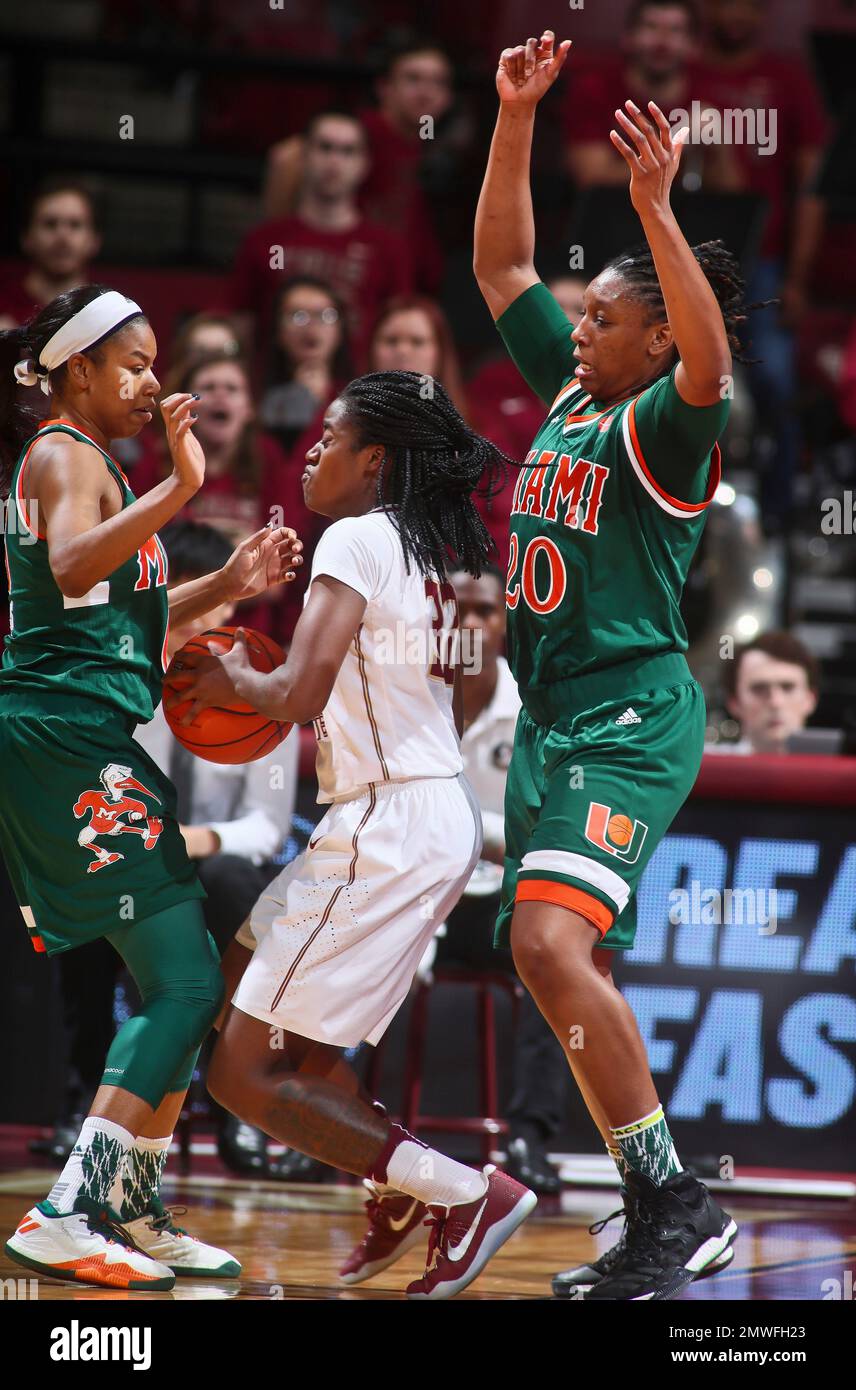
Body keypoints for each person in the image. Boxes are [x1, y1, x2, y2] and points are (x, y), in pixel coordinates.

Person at [173, 369, 537, 1300]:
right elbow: (454, 700)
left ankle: (464, 1193)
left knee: (245, 1077)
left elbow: (292, 694)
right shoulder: (436, 548)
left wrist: (220, 687)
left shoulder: (358, 537)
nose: (312, 452)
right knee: (261, 1025)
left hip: (385, 822)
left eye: (329, 439)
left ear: (375, 460)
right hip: (417, 812)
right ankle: (404, 1185)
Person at [473, 31, 740, 1300]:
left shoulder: (666, 426)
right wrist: (518, 116)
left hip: (630, 711)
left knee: (541, 940)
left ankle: (672, 1201)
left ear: (650, 340)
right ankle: (665, 1201)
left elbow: (712, 358)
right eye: (581, 318)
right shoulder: (575, 400)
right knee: (552, 956)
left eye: (603, 320)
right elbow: (499, 262)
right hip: (551, 717)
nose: (577, 333)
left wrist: (654, 206)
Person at [0, 285, 301, 1289]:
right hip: (67, 738)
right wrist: (180, 485)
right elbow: (75, 556)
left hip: (81, 731)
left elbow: (118, 613)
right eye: (131, 362)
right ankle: (71, 1206)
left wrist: (227, 584)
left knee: (184, 979)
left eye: (155, 359)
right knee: (184, 982)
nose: (150, 381)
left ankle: (130, 1203)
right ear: (75, 369)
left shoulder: (87, 465)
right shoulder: (62, 454)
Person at [137, 519, 301, 1176]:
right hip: (141, 865)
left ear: (231, 606)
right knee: (90, 893)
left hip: (219, 870)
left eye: (215, 603)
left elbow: (267, 828)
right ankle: (79, 1102)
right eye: (187, 601)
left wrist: (189, 840)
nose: (200, 617)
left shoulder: (267, 678)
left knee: (236, 880)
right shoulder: (127, 676)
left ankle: (238, 1097)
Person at [436, 564, 569, 1194]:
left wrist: (464, 830)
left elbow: (543, 832)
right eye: (455, 607)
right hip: (416, 899)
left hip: (494, 903)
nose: (467, 623)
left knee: (557, 950)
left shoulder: (536, 712)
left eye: (484, 610)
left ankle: (529, 1136)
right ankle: (316, 1114)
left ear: (507, 622)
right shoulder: (402, 697)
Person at [693, 0, 828, 527]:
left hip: (762, 265)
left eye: (749, 7)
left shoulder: (785, 79)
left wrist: (797, 276)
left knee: (774, 383)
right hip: (676, 261)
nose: (737, 16)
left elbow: (812, 187)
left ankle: (774, 517)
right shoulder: (686, 72)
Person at [230, 111, 411, 371]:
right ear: (303, 156)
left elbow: (398, 331)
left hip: (359, 395)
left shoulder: (388, 248)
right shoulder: (264, 240)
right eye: (325, 147)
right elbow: (241, 329)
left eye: (348, 151)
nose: (334, 161)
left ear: (364, 164)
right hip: (274, 394)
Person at [564, 0, 742, 194]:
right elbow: (593, 180)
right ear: (628, 37)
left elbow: (732, 195)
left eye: (676, 30)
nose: (662, 42)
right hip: (613, 219)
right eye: (651, 27)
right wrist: (674, 143)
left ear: (694, 45)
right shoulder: (595, 89)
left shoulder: (709, 96)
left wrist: (720, 147)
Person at [260, 277, 352, 455]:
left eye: (326, 315)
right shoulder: (254, 397)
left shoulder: (360, 396)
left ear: (340, 330)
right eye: (298, 316)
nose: (312, 326)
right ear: (278, 330)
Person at [0, 180, 101, 331]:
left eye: (75, 225)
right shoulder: (3, 307)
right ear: (26, 238)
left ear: (94, 240)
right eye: (50, 224)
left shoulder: (109, 316)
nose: (62, 236)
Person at [716, 630, 819, 753]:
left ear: (810, 699)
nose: (775, 702)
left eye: (788, 687)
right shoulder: (701, 769)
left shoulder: (838, 769)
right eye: (759, 689)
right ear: (734, 702)